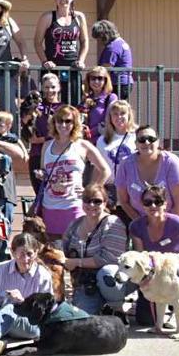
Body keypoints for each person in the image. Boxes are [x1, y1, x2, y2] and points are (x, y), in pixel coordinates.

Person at [127, 184, 179, 328]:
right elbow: (140, 257)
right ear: (142, 205)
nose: (153, 205)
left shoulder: (176, 223)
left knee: (175, 299)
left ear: (165, 204)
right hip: (155, 274)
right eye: (148, 202)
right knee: (145, 321)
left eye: (158, 202)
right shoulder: (136, 226)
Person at [36, 105, 111, 239]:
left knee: (75, 245)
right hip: (50, 205)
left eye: (68, 121)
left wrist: (90, 191)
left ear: (75, 123)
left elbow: (105, 170)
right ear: (54, 122)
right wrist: (41, 174)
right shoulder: (47, 146)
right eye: (59, 120)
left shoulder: (82, 145)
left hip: (73, 205)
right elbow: (44, 172)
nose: (63, 125)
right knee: (53, 249)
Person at [60, 183, 130, 316]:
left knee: (107, 273)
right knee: (81, 317)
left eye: (97, 201)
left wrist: (76, 262)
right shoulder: (75, 224)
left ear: (105, 203)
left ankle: (118, 309)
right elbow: (64, 252)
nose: (91, 205)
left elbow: (108, 259)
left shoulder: (113, 223)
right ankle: (100, 307)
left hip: (111, 280)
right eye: (87, 200)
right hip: (85, 282)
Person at [115, 125, 179, 225]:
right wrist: (141, 224)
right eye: (142, 139)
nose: (146, 142)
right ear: (136, 144)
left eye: (151, 139)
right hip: (144, 220)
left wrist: (163, 227)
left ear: (157, 142)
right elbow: (124, 201)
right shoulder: (125, 165)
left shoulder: (171, 162)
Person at [34, 0, 89, 106]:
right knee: (50, 103)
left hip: (72, 67)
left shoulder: (79, 17)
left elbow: (84, 41)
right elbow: (37, 42)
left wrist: (81, 60)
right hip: (53, 68)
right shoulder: (48, 17)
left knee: (73, 104)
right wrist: (45, 61)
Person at [28, 73, 65, 195]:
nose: (50, 90)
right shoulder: (36, 106)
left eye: (53, 87)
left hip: (56, 154)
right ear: (42, 88)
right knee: (39, 192)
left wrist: (42, 139)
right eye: (47, 87)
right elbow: (25, 125)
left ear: (59, 88)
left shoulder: (64, 108)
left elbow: (66, 132)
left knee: (55, 192)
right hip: (36, 154)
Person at [96, 100, 137, 205]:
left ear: (129, 115)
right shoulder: (102, 140)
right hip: (110, 191)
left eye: (123, 113)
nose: (119, 117)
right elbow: (98, 169)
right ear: (110, 117)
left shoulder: (137, 136)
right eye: (115, 114)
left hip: (132, 189)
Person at [92, 19, 134, 100]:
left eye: (99, 37)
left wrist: (91, 79)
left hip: (117, 84)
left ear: (104, 35)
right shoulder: (120, 43)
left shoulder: (112, 47)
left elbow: (105, 68)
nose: (99, 41)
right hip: (125, 82)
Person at [80, 66, 118, 139]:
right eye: (93, 78)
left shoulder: (111, 98)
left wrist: (90, 132)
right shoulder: (85, 99)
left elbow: (109, 122)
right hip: (87, 141)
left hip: (103, 140)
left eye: (100, 78)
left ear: (105, 81)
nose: (96, 81)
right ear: (88, 80)